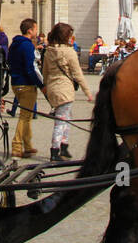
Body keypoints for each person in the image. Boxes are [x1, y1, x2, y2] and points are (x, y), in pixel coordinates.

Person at [42, 23, 92, 160]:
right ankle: (55, 150)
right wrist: (88, 92)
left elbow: (45, 72)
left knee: (66, 116)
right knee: (61, 120)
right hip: (64, 89)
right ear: (65, 36)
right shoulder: (69, 52)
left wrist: (46, 88)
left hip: (53, 88)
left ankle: (64, 146)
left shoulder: (48, 51)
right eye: (70, 35)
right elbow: (78, 74)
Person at [7, 17, 43, 157]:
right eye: (35, 28)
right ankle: (17, 147)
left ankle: (27, 145)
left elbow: (9, 61)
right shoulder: (27, 45)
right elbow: (30, 68)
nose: (36, 31)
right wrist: (41, 85)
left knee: (26, 116)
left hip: (16, 82)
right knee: (24, 116)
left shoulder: (14, 44)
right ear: (30, 30)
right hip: (26, 84)